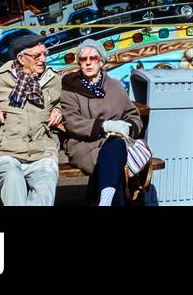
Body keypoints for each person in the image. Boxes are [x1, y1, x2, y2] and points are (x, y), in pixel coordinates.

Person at [0, 32, 63, 205]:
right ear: (21, 58)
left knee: (46, 187)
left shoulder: (53, 80)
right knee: (14, 180)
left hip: (42, 151)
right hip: (5, 152)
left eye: (45, 54)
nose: (43, 59)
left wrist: (59, 109)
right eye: (37, 55)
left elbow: (65, 102)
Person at [58, 41, 144, 206]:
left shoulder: (114, 85)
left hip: (116, 142)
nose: (88, 62)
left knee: (115, 147)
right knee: (115, 162)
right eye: (83, 59)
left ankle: (105, 197)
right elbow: (72, 122)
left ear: (101, 61)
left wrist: (128, 127)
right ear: (79, 63)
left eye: (93, 58)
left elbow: (133, 114)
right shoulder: (70, 87)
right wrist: (105, 126)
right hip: (84, 144)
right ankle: (107, 195)